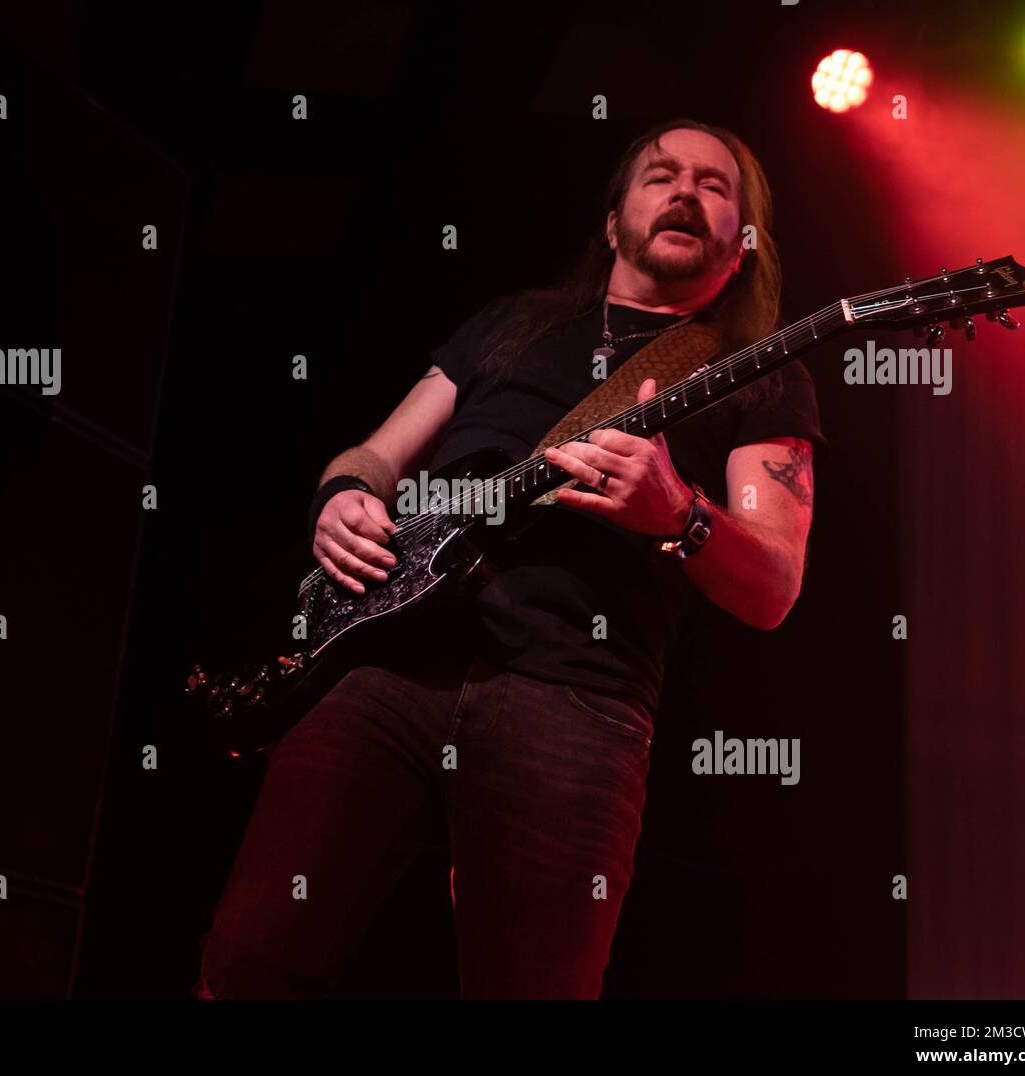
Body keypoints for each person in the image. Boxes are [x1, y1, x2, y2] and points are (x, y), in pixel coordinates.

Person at [194, 118, 826, 999]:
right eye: (661, 176)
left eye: (715, 186)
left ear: (745, 240)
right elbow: (374, 456)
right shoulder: (512, 325)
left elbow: (774, 586)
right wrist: (340, 497)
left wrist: (677, 513)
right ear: (613, 223)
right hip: (385, 665)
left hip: (577, 697)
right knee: (250, 964)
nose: (685, 191)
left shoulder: (762, 374)